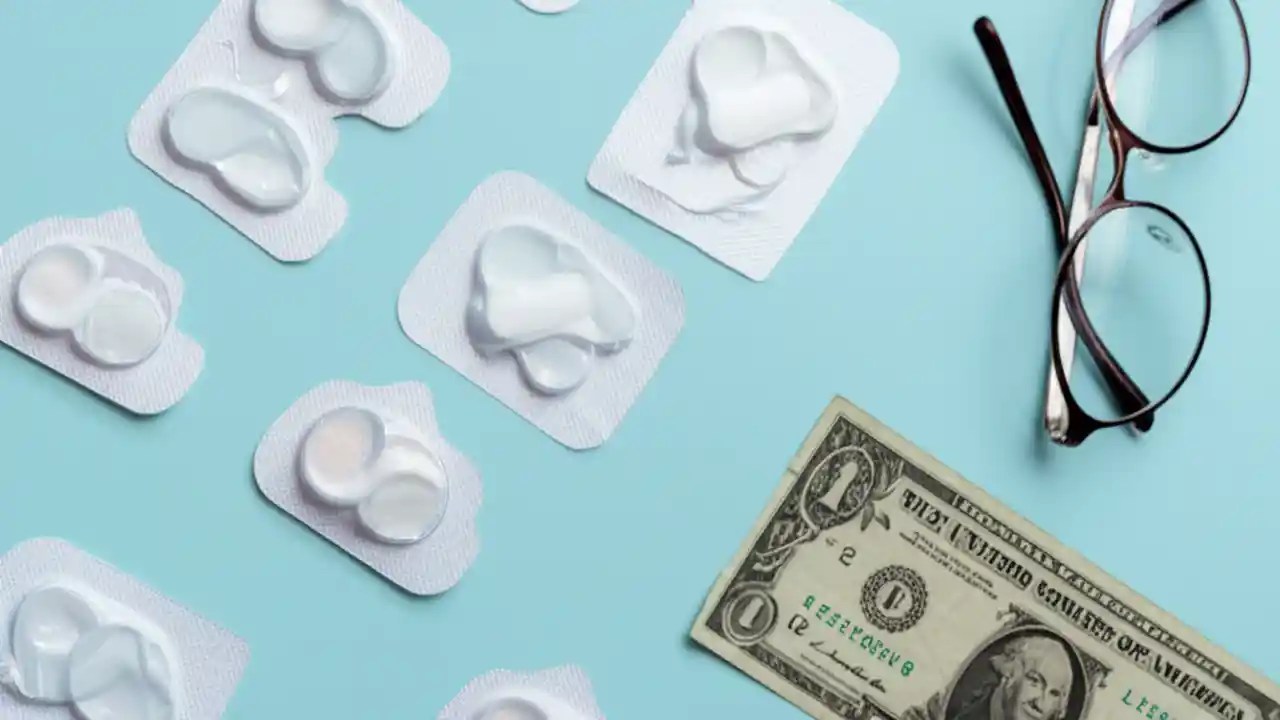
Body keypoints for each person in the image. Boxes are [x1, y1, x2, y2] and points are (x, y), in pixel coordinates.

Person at [903, 634, 1075, 720]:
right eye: (1035, 681)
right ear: (1009, 674)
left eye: (1054, 693)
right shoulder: (955, 707)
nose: (1039, 704)